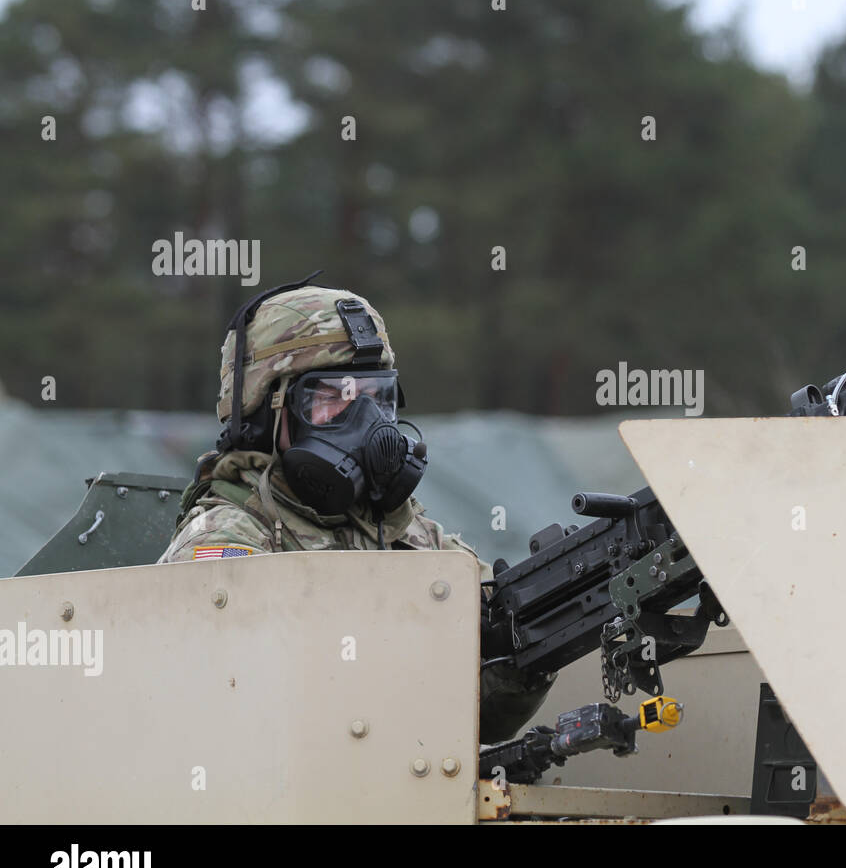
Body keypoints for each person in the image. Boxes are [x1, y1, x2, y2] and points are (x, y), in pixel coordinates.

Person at [158, 274, 553, 742]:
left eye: (376, 397)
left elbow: (477, 721)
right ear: (268, 410)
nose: (367, 422)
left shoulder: (411, 534)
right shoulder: (228, 536)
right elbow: (225, 712)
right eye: (337, 396)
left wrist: (522, 647)